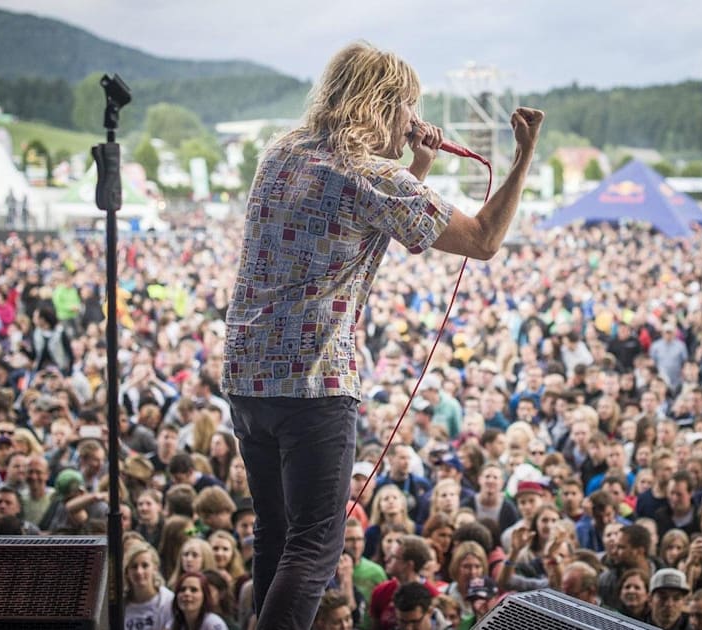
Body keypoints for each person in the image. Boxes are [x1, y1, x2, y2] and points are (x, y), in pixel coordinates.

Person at [221, 41, 543, 630]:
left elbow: (357, 225)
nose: (414, 121)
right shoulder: (367, 174)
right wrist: (523, 159)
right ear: (384, 104)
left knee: (275, 534)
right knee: (316, 547)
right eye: (408, 108)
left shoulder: (282, 151)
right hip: (313, 382)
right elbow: (484, 240)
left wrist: (415, 167)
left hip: (247, 375)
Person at [124, 542, 174, 630]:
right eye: (134, 566)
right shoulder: (120, 605)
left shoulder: (169, 601)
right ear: (127, 572)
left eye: (145, 565)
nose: (139, 571)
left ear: (155, 568)